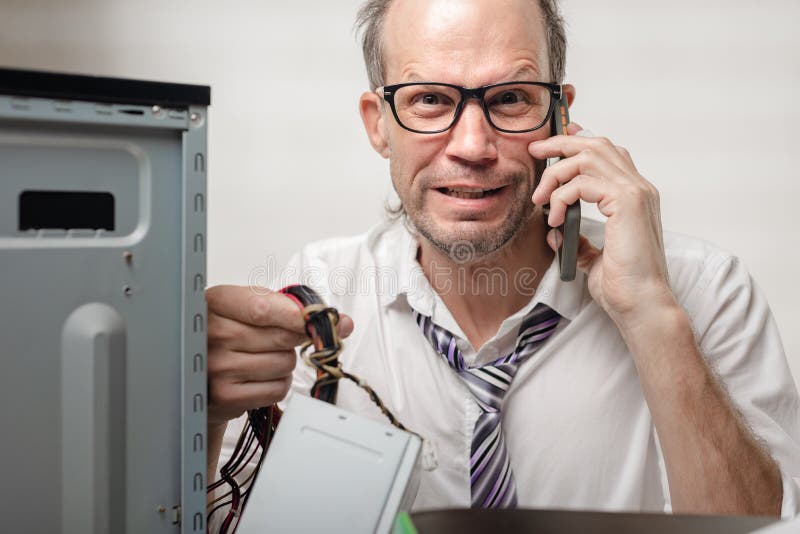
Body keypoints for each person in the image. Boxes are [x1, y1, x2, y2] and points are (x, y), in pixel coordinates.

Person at [206, 0, 800, 517]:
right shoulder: (316, 296)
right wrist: (201, 414)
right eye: (430, 100)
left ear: (560, 115)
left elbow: (757, 527)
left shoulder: (705, 289)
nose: (471, 146)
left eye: (511, 98)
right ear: (379, 125)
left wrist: (650, 314)